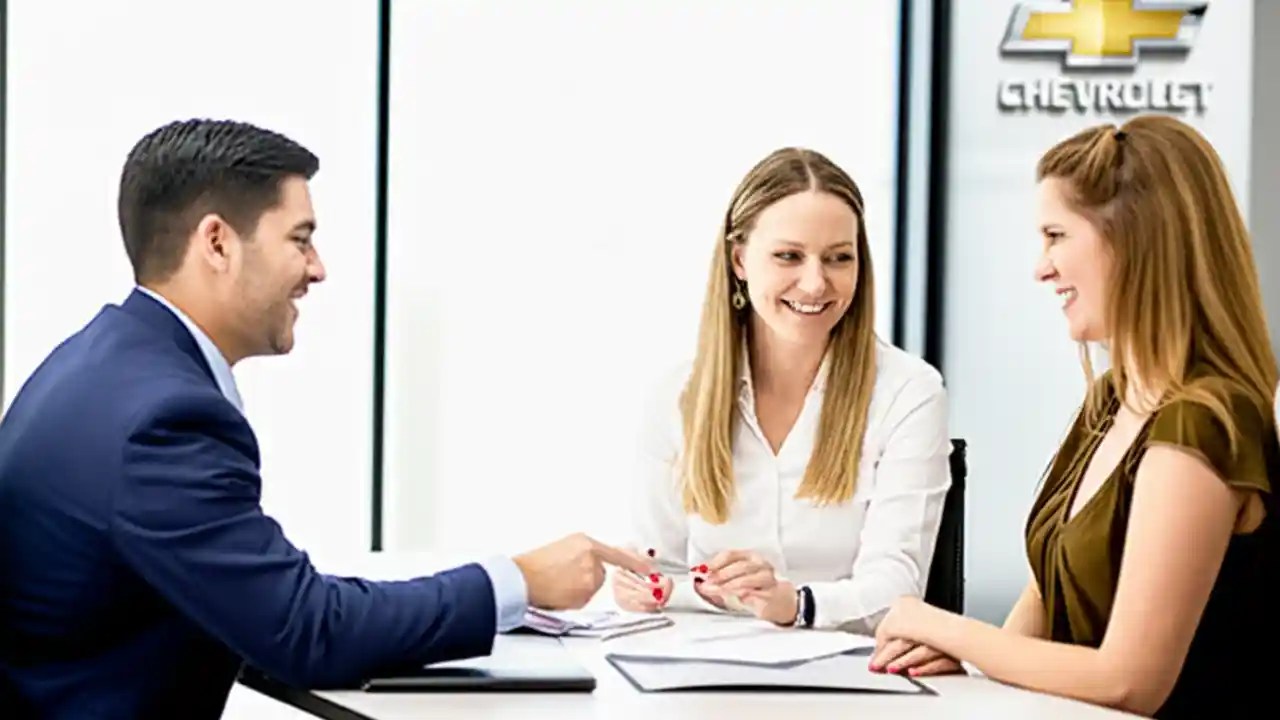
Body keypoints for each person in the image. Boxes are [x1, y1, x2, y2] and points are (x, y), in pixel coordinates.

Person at [0, 119, 652, 719]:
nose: (318, 269)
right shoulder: (164, 419)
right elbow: (304, 631)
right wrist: (518, 581)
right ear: (218, 243)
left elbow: (269, 601)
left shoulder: (99, 363)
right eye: (301, 240)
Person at [868, 116, 1280, 719]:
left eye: (1056, 236)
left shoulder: (1204, 422)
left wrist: (944, 627)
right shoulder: (1112, 398)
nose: (1041, 267)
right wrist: (971, 666)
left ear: (1133, 240)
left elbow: (1128, 682)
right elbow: (1045, 592)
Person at [612, 147, 951, 632]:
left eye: (838, 258)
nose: (815, 283)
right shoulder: (675, 397)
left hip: (850, 683)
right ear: (740, 260)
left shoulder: (908, 392)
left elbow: (895, 590)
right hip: (707, 680)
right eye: (789, 256)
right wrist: (645, 588)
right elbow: (660, 572)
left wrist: (795, 603)